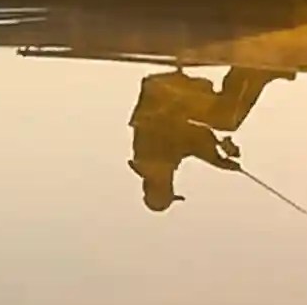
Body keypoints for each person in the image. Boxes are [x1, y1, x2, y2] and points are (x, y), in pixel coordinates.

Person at [126, 67, 294, 212]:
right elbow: (190, 142)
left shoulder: (151, 161)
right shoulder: (160, 163)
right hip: (172, 97)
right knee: (228, 119)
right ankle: (258, 74)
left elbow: (186, 134)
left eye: (167, 190)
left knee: (225, 118)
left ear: (158, 188)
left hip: (166, 94)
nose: (171, 185)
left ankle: (249, 70)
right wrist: (218, 157)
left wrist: (216, 154)